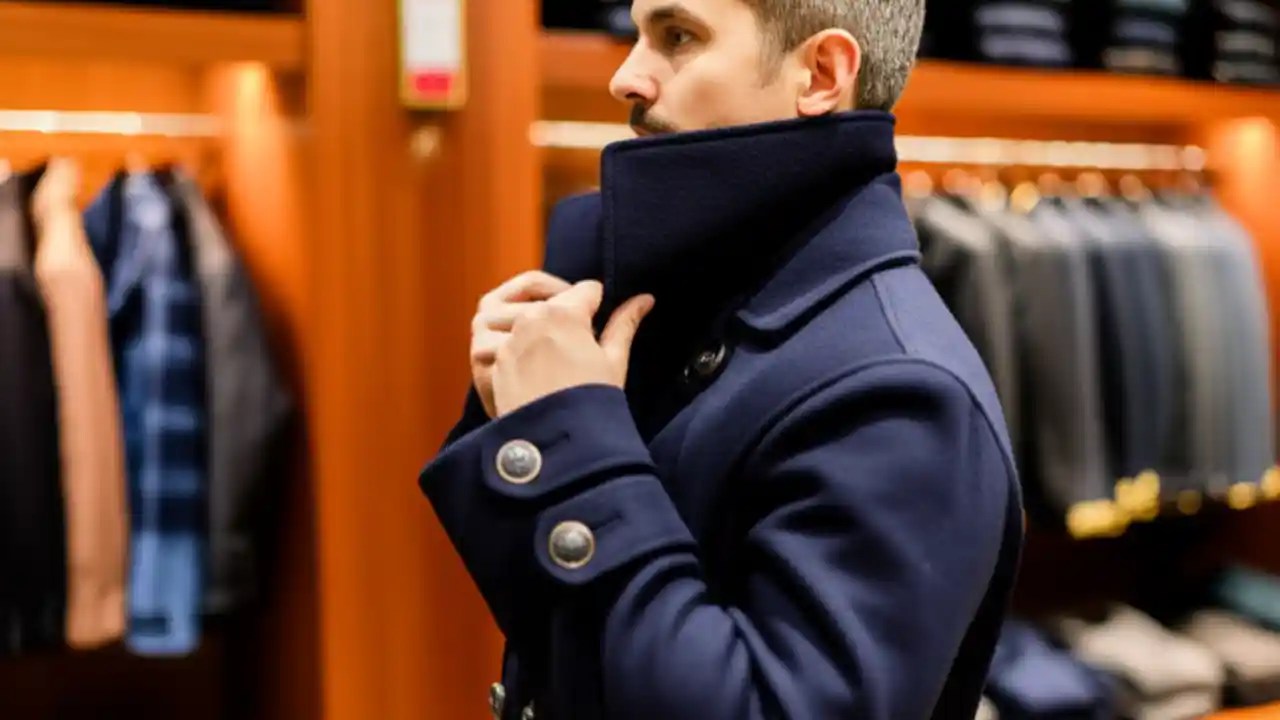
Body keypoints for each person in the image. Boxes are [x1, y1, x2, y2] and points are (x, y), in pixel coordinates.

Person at [418, 0, 1024, 718]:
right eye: (636, 35)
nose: (625, 78)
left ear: (823, 74)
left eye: (678, 37)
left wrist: (569, 435)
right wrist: (523, 417)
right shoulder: (677, 306)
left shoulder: (904, 393)